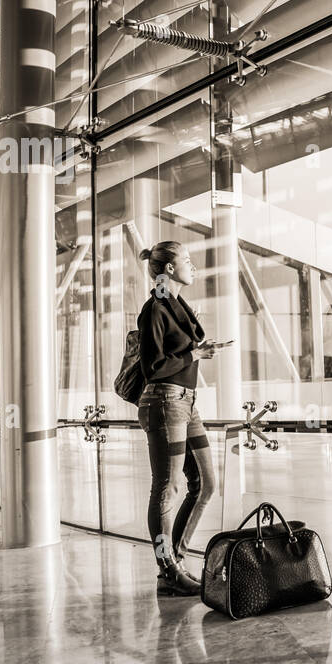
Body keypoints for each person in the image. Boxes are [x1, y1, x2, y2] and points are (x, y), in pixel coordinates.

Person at [137, 240, 221, 597]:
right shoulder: (154, 309)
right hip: (164, 401)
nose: (193, 265)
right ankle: (167, 569)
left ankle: (177, 561)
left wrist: (197, 350)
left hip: (187, 402)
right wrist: (195, 354)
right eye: (186, 260)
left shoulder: (175, 305)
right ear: (169, 268)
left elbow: (185, 348)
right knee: (166, 486)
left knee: (206, 482)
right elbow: (153, 367)